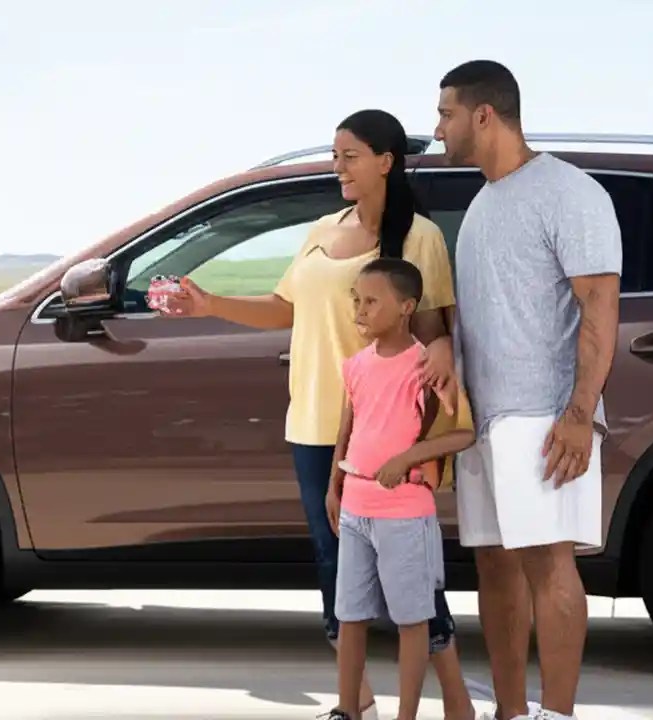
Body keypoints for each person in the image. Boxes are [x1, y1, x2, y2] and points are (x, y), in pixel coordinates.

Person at [163, 109, 475, 720]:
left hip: (386, 434)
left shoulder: (420, 239)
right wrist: (208, 304)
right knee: (335, 566)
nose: (339, 167)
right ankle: (354, 706)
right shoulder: (321, 230)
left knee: (409, 577)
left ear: (386, 160)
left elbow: (436, 330)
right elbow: (285, 310)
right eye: (335, 156)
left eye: (350, 155)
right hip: (313, 426)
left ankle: (456, 703)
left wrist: (440, 362)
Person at [434, 60, 622, 720]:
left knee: (548, 561)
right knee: (494, 564)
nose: (438, 130)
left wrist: (578, 414)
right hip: (486, 420)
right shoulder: (486, 203)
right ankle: (511, 712)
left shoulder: (568, 192)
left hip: (545, 414)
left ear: (484, 114)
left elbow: (599, 306)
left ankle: (556, 714)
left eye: (446, 114)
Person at [326, 258, 477, 720]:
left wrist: (407, 459)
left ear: (407, 307)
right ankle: (348, 711)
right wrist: (334, 487)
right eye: (357, 300)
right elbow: (346, 432)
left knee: (413, 620)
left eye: (372, 301)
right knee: (350, 617)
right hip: (355, 509)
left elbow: (464, 432)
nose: (361, 309)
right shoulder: (355, 366)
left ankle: (405, 715)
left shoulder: (425, 366)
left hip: (406, 514)